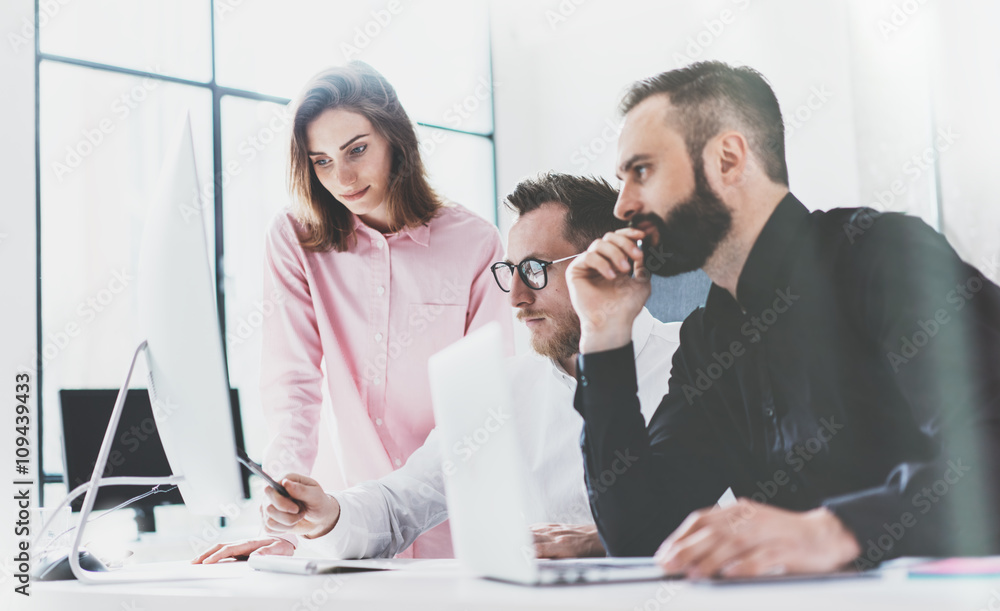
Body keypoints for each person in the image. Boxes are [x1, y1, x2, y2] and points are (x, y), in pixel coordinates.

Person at [566, 60, 1000, 579]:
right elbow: (641, 537)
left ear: (728, 159)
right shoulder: (708, 341)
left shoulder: (884, 257)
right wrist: (604, 335)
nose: (622, 207)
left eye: (641, 171)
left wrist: (833, 528)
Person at [194, 174, 682, 563]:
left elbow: (737, 514)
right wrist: (327, 515)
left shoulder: (693, 361)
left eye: (535, 270)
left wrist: (605, 538)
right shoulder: (505, 388)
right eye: (508, 272)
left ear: (608, 263)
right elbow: (402, 502)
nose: (515, 296)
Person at [195, 61, 512, 562]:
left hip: (454, 529)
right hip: (337, 533)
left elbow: (479, 407)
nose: (341, 178)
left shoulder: (477, 243)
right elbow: (291, 385)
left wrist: (389, 507)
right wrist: (284, 509)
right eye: (320, 161)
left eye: (356, 150)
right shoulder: (295, 238)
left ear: (395, 139)